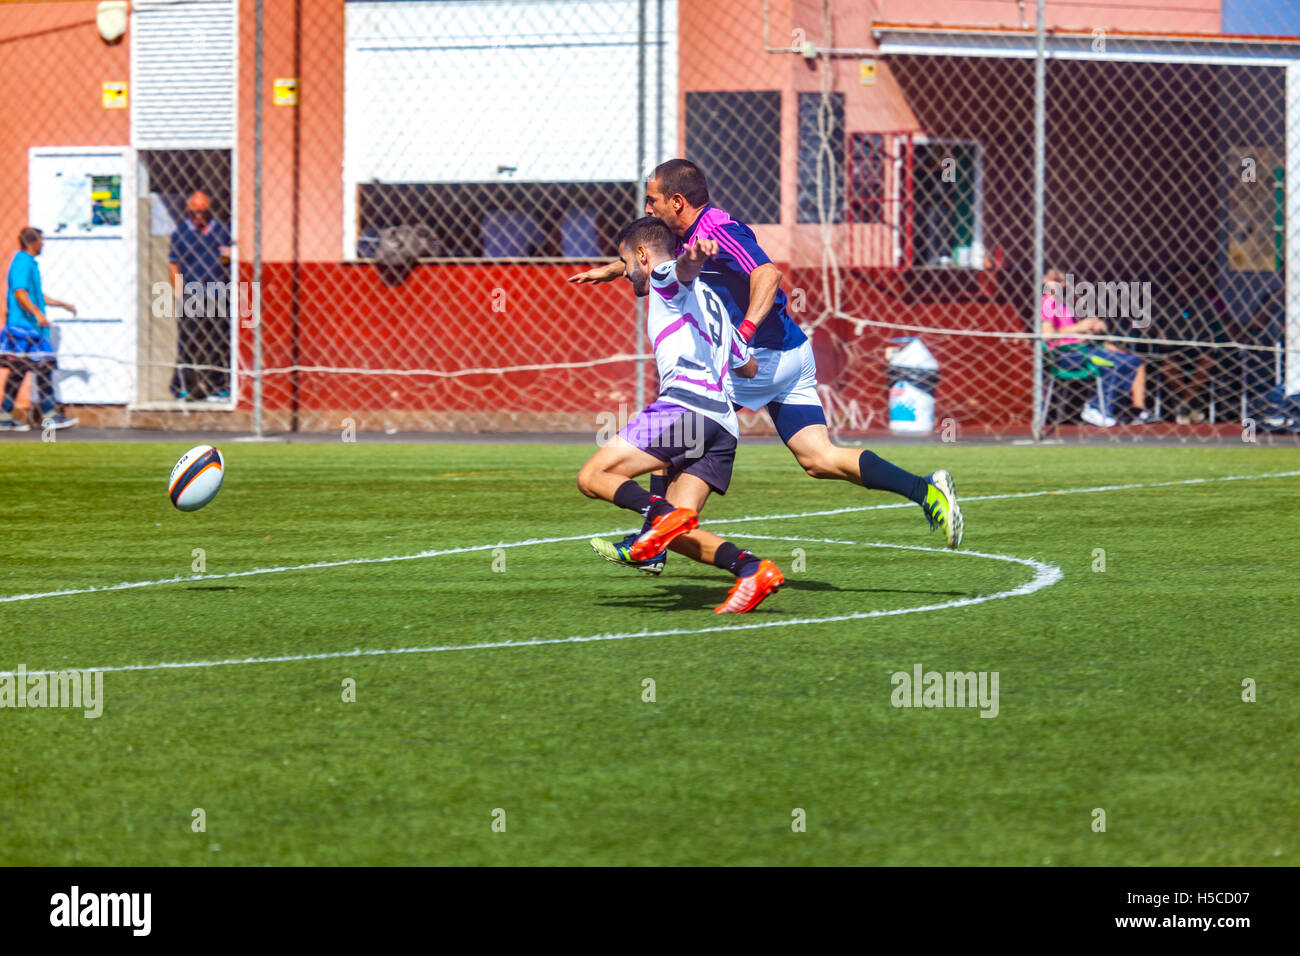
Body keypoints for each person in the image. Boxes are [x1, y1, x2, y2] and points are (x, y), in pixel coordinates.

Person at [572, 159, 962, 574]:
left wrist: (744, 330)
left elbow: (768, 274)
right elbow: (664, 258)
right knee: (819, 458)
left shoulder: (719, 230)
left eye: (652, 201)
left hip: (762, 360)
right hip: (792, 356)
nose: (648, 209)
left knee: (679, 424)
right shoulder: (687, 233)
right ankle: (926, 490)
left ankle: (656, 542)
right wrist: (618, 268)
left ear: (678, 201)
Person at [577, 217, 784, 613]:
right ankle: (752, 569)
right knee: (675, 530)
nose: (629, 272)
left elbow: (678, 269)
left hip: (687, 408)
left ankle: (657, 514)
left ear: (641, 255)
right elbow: (749, 367)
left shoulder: (663, 277)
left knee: (593, 477)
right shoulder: (715, 306)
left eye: (626, 261)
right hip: (723, 425)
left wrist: (692, 256)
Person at [1041, 267, 1149, 427]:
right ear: (1044, 281)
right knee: (1113, 363)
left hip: (1079, 349)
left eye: (1062, 281)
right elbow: (1047, 335)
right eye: (1055, 280)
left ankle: (1135, 410)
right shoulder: (1047, 303)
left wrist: (1091, 331)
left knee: (1133, 361)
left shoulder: (1063, 307)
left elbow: (1073, 337)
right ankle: (1096, 407)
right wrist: (1079, 327)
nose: (1059, 285)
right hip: (1064, 355)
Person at [0, 227, 77, 432]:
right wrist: (37, 313)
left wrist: (63, 305)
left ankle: (4, 416)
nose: (43, 245)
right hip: (24, 329)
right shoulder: (22, 262)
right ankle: (50, 415)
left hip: (28, 328)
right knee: (43, 366)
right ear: (33, 242)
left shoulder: (28, 263)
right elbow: (19, 292)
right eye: (41, 241)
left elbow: (37, 296)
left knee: (18, 370)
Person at [169, 191, 233, 402]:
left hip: (218, 293)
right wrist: (179, 292)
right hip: (192, 293)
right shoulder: (181, 233)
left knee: (218, 341)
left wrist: (229, 256)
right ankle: (181, 387)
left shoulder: (222, 230)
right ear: (188, 211)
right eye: (194, 212)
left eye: (202, 212)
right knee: (188, 341)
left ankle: (218, 387)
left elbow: (230, 256)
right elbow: (174, 263)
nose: (198, 217)